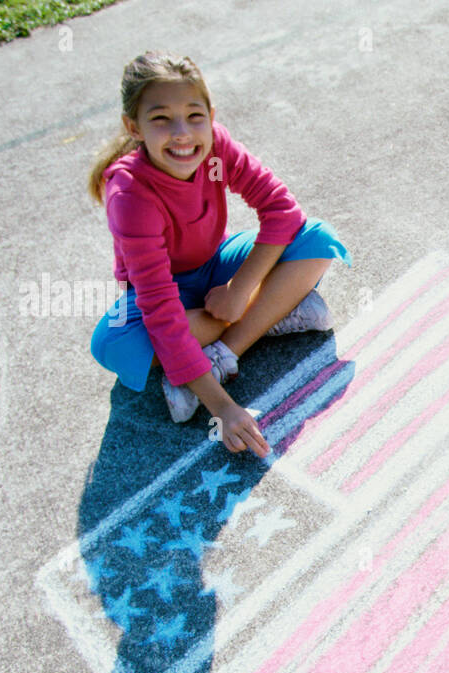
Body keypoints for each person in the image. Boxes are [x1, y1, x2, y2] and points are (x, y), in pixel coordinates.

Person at [86, 51, 351, 456]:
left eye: (195, 115)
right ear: (133, 127)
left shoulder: (216, 147)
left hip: (217, 268)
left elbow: (282, 211)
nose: (182, 133)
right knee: (113, 346)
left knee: (316, 240)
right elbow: (159, 306)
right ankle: (276, 310)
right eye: (160, 119)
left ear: (211, 114)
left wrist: (239, 290)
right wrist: (224, 409)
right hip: (163, 294)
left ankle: (225, 351)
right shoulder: (130, 195)